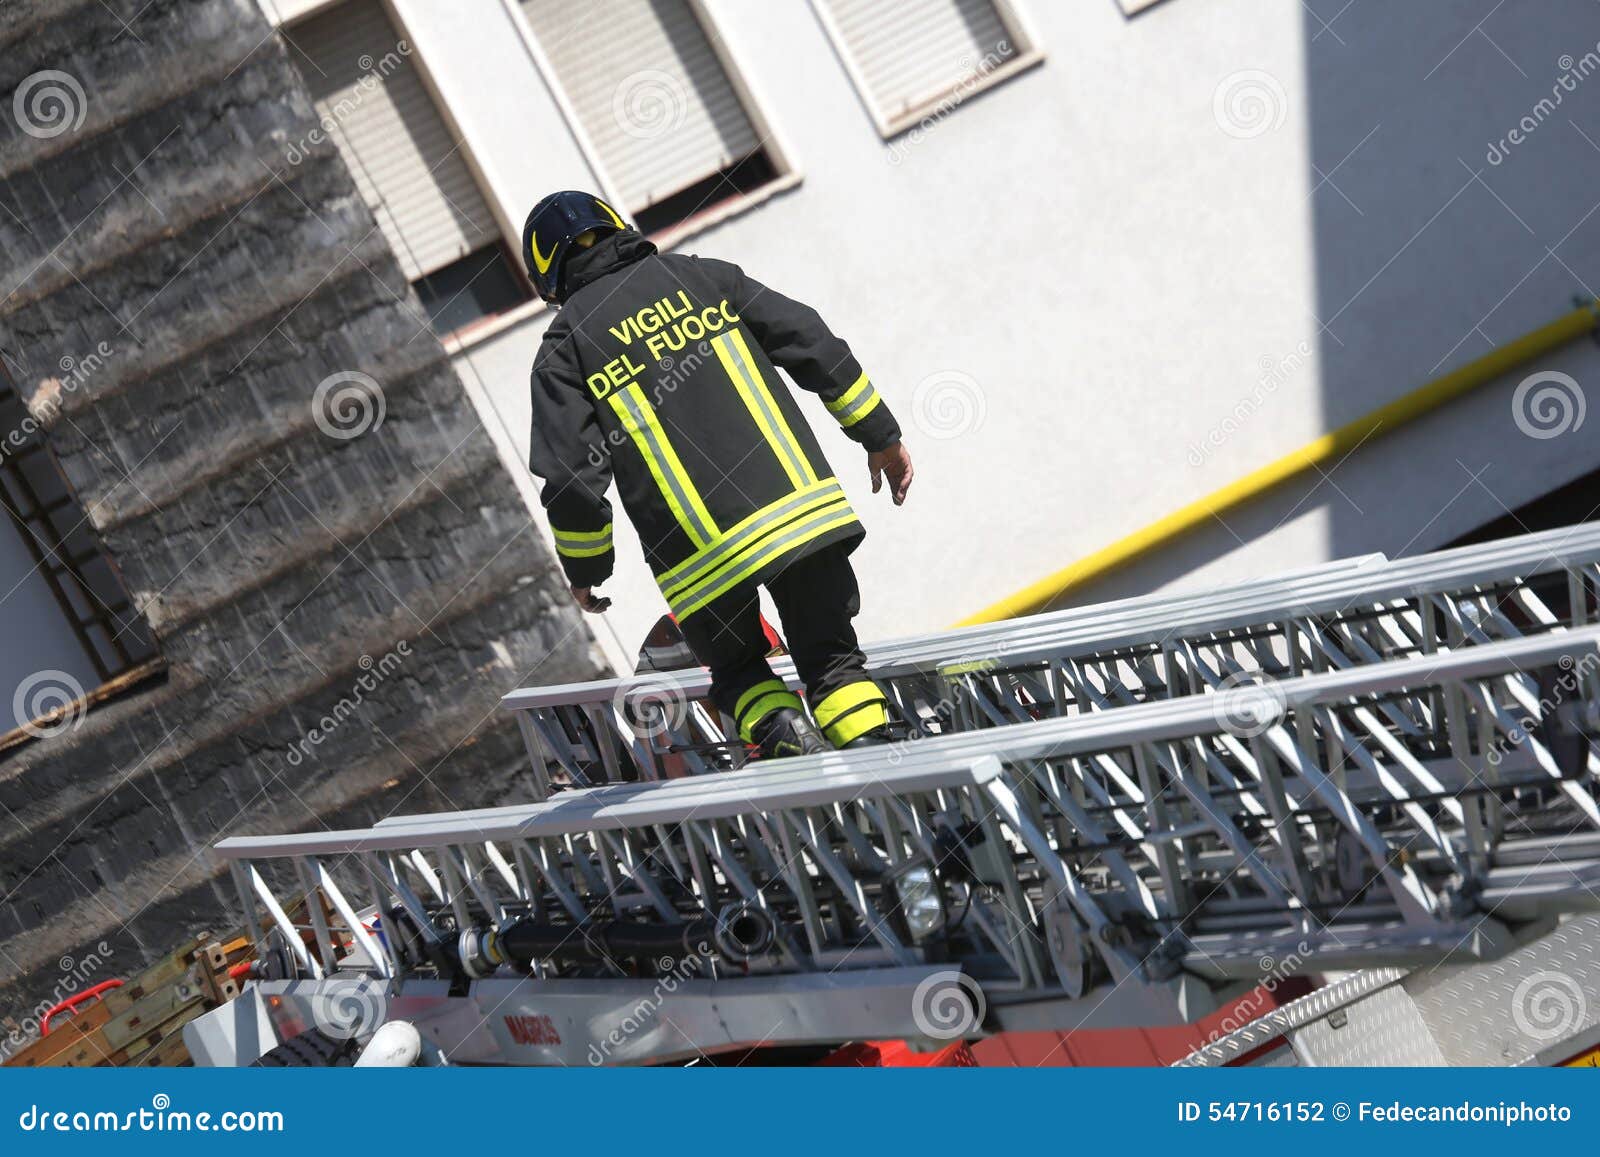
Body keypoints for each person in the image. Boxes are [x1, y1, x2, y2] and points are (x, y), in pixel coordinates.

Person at [524, 190, 914, 759]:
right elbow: (812, 343)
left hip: (700, 560)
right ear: (618, 229)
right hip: (800, 519)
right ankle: (890, 769)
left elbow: (569, 478)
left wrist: (587, 569)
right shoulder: (706, 279)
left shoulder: (564, 351)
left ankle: (796, 754)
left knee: (739, 673)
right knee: (832, 659)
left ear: (548, 277)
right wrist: (879, 435)